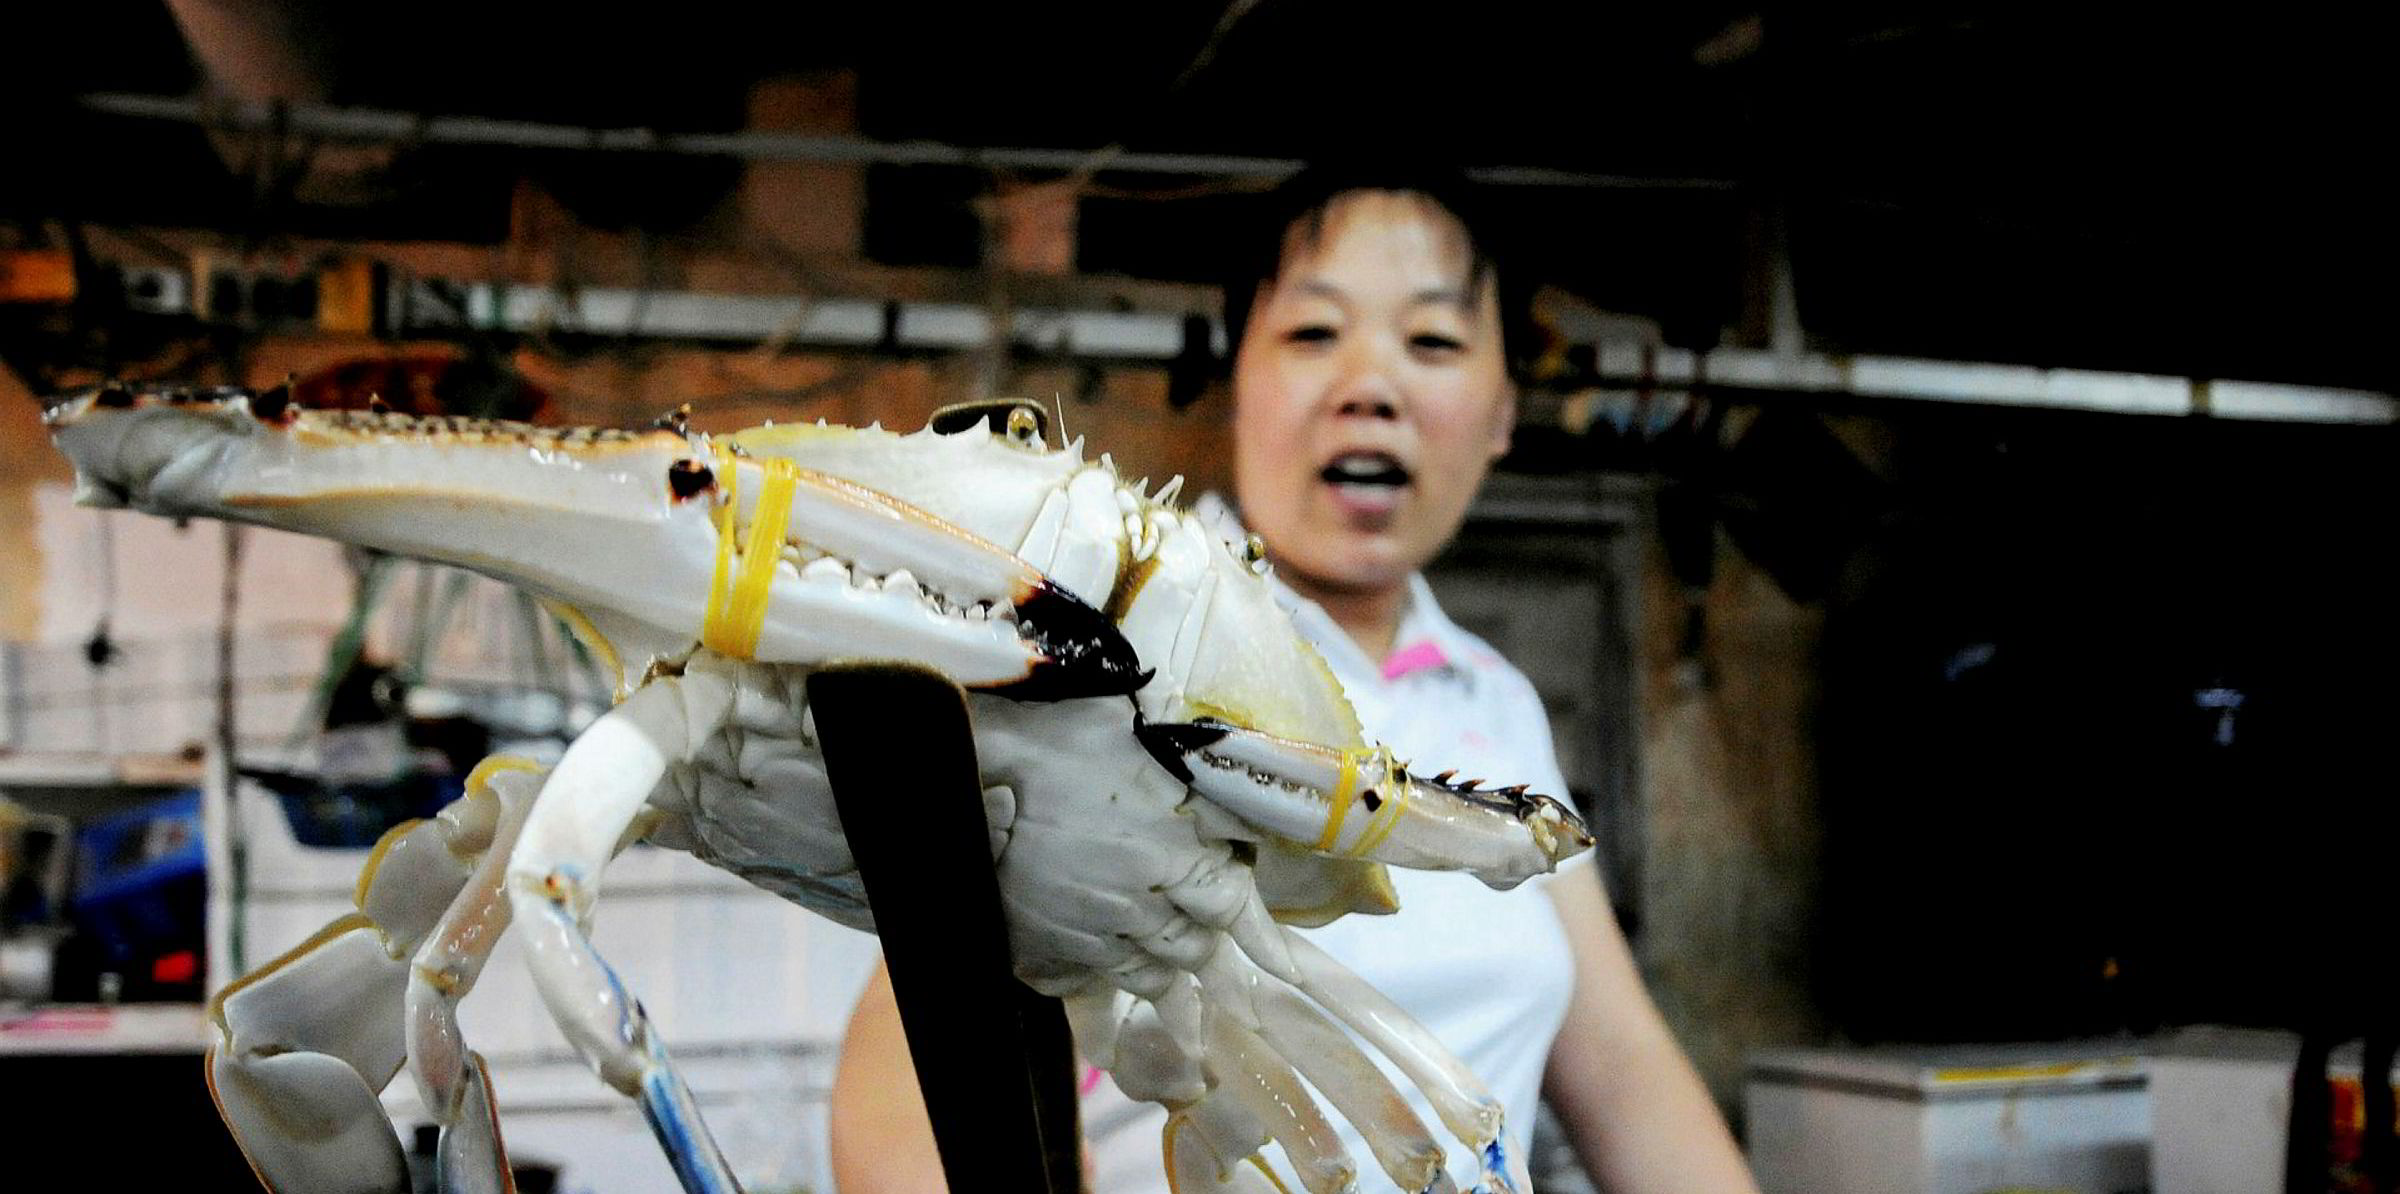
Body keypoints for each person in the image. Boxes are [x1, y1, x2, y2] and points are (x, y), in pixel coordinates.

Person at [831, 164, 1760, 1194]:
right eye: (1315, 334)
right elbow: (905, 1079)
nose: (1370, 383)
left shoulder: (1493, 697)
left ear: (1502, 414)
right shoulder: (1114, 653)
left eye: (1435, 342)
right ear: (1242, 383)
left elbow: (1628, 1073)